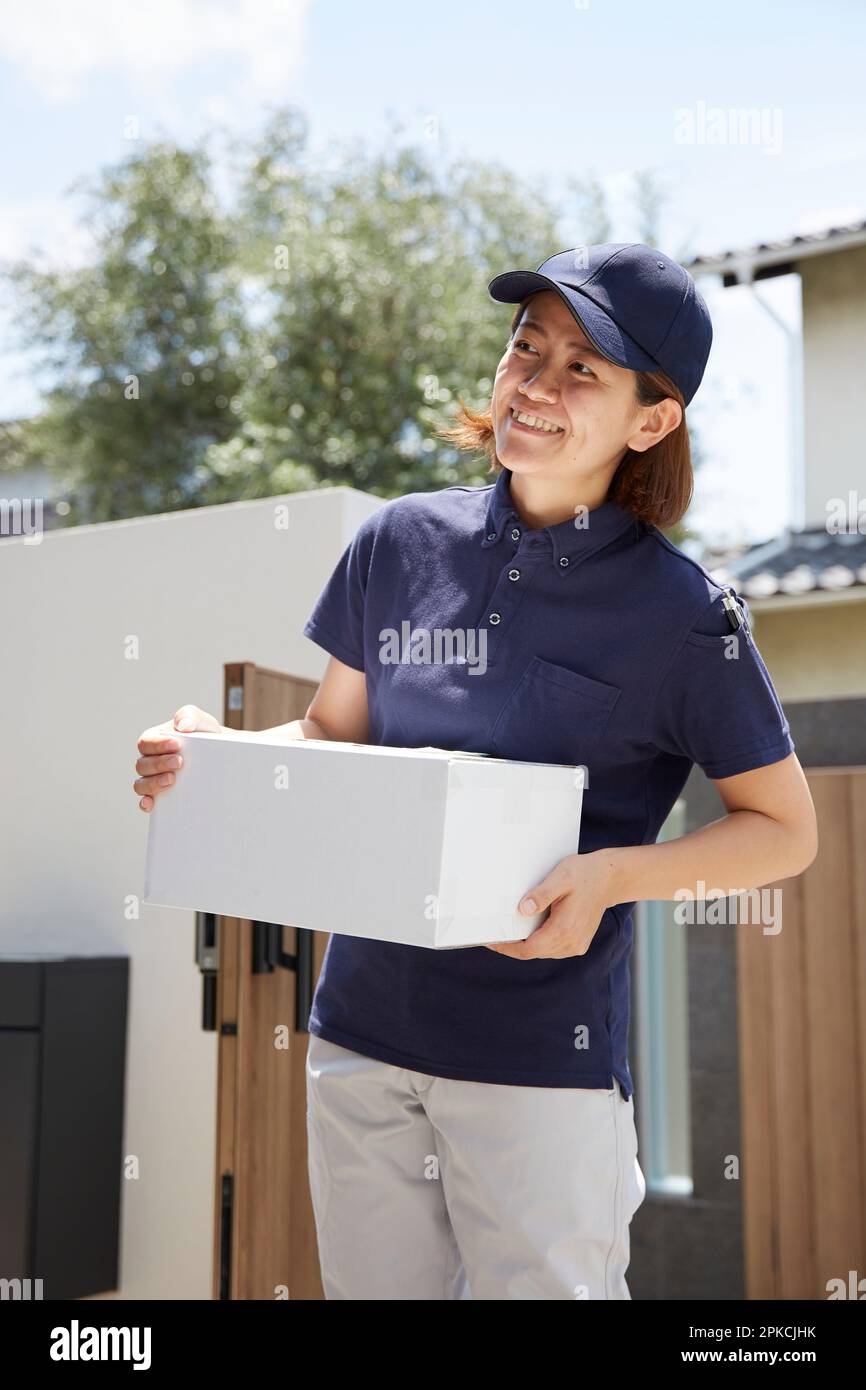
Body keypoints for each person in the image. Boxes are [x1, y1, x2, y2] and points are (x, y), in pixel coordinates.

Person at [134, 243, 818, 1301]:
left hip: (539, 1065)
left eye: (582, 367)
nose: (534, 384)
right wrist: (210, 759)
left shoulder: (686, 619)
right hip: (358, 1038)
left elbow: (782, 830)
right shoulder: (397, 543)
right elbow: (329, 736)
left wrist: (610, 876)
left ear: (650, 420)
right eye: (524, 346)